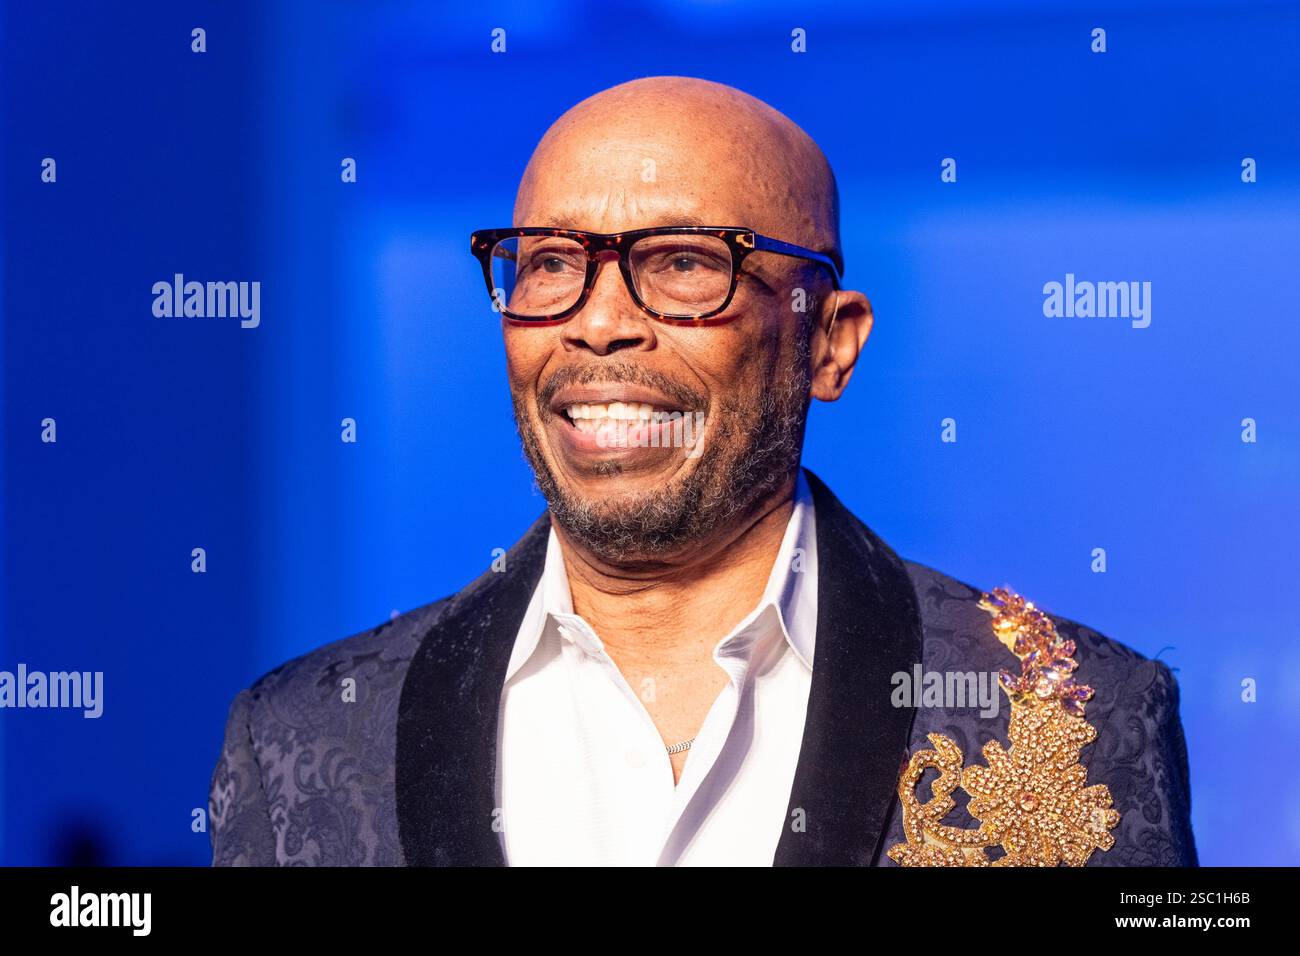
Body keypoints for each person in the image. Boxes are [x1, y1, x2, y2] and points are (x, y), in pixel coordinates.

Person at [209, 76, 1196, 867]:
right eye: (549, 263)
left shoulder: (1066, 712)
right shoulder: (301, 734)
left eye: (684, 262)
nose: (597, 321)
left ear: (830, 344)